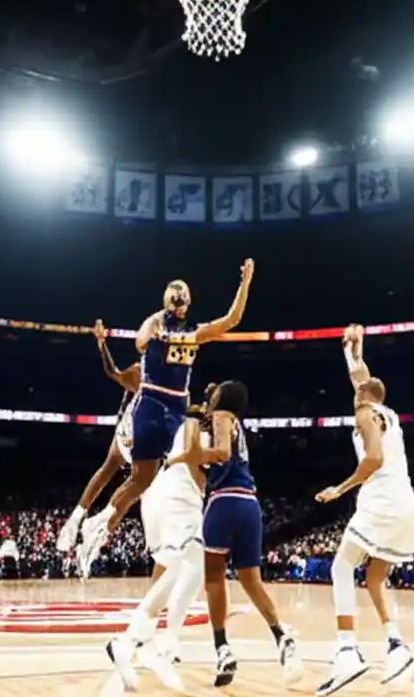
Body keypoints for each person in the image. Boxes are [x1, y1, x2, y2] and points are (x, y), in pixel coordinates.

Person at [78, 261, 255, 576]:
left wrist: (245, 282)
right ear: (167, 299)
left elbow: (233, 319)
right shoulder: (156, 325)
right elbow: (139, 341)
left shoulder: (194, 332)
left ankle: (180, 536)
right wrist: (158, 317)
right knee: (140, 477)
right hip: (151, 400)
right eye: (175, 293)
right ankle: (102, 524)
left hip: (177, 408)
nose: (179, 297)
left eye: (183, 293)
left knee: (182, 469)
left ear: (189, 301)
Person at [314, 325, 414, 696]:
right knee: (374, 578)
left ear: (362, 397)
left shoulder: (364, 414)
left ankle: (347, 651)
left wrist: (340, 488)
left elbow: (373, 459)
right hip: (407, 506)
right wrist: (353, 350)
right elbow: (361, 376)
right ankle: (397, 646)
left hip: (383, 502)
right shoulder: (387, 413)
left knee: (342, 566)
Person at [105, 383, 218, 692]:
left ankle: (149, 642)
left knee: (179, 568)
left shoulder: (190, 421)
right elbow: (197, 459)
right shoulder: (196, 422)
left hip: (166, 495)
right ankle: (141, 642)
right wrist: (224, 456)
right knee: (184, 566)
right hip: (175, 497)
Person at [200, 381, 298, 687]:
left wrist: (187, 455)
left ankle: (222, 648)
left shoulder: (221, 417)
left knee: (214, 579)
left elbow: (220, 453)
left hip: (224, 502)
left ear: (223, 398)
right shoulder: (236, 424)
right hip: (249, 504)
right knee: (251, 581)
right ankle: (281, 635)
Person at [57, 319, 141, 552]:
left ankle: (81, 521)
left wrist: (102, 344)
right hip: (138, 429)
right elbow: (112, 372)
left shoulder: (154, 370)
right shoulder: (143, 371)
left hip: (137, 426)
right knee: (134, 480)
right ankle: (94, 524)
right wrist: (102, 345)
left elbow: (112, 373)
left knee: (111, 471)